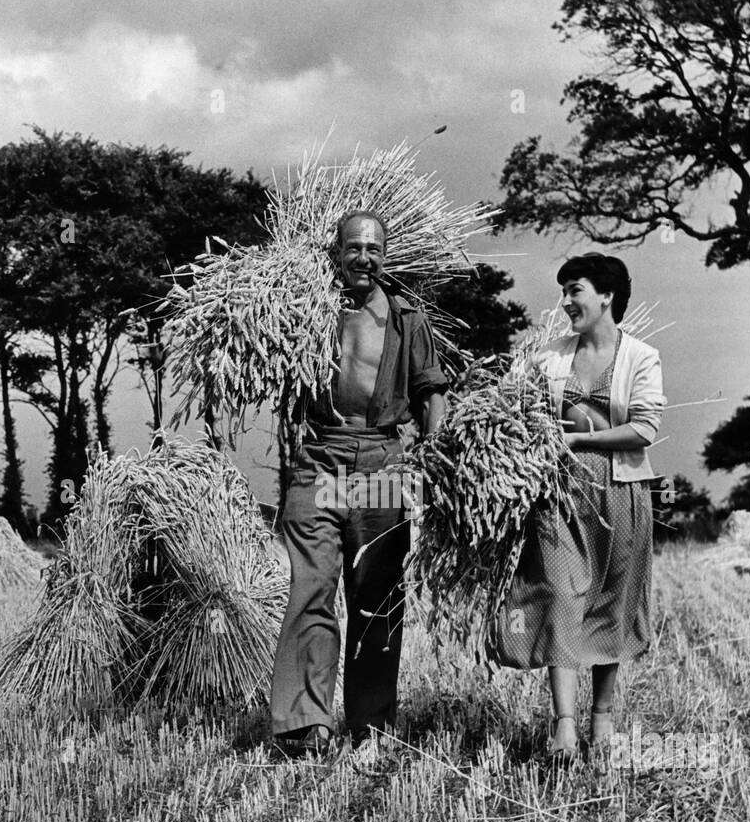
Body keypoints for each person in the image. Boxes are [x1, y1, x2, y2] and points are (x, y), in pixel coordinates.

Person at [270, 210, 448, 758]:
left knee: (375, 595)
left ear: (386, 256)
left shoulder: (404, 319)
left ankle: (372, 724)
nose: (364, 258)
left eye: (374, 249)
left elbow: (430, 392)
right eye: (354, 248)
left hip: (378, 462)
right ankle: (307, 723)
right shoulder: (306, 313)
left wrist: (436, 459)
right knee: (312, 587)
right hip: (319, 460)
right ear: (335, 254)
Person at [492, 253, 665, 764]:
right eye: (563, 290)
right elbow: (513, 406)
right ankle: (564, 724)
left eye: (576, 290)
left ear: (606, 296)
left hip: (620, 494)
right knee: (563, 598)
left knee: (613, 599)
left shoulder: (642, 357)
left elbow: (644, 428)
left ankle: (602, 716)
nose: (565, 301)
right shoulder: (548, 359)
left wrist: (578, 436)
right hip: (558, 494)